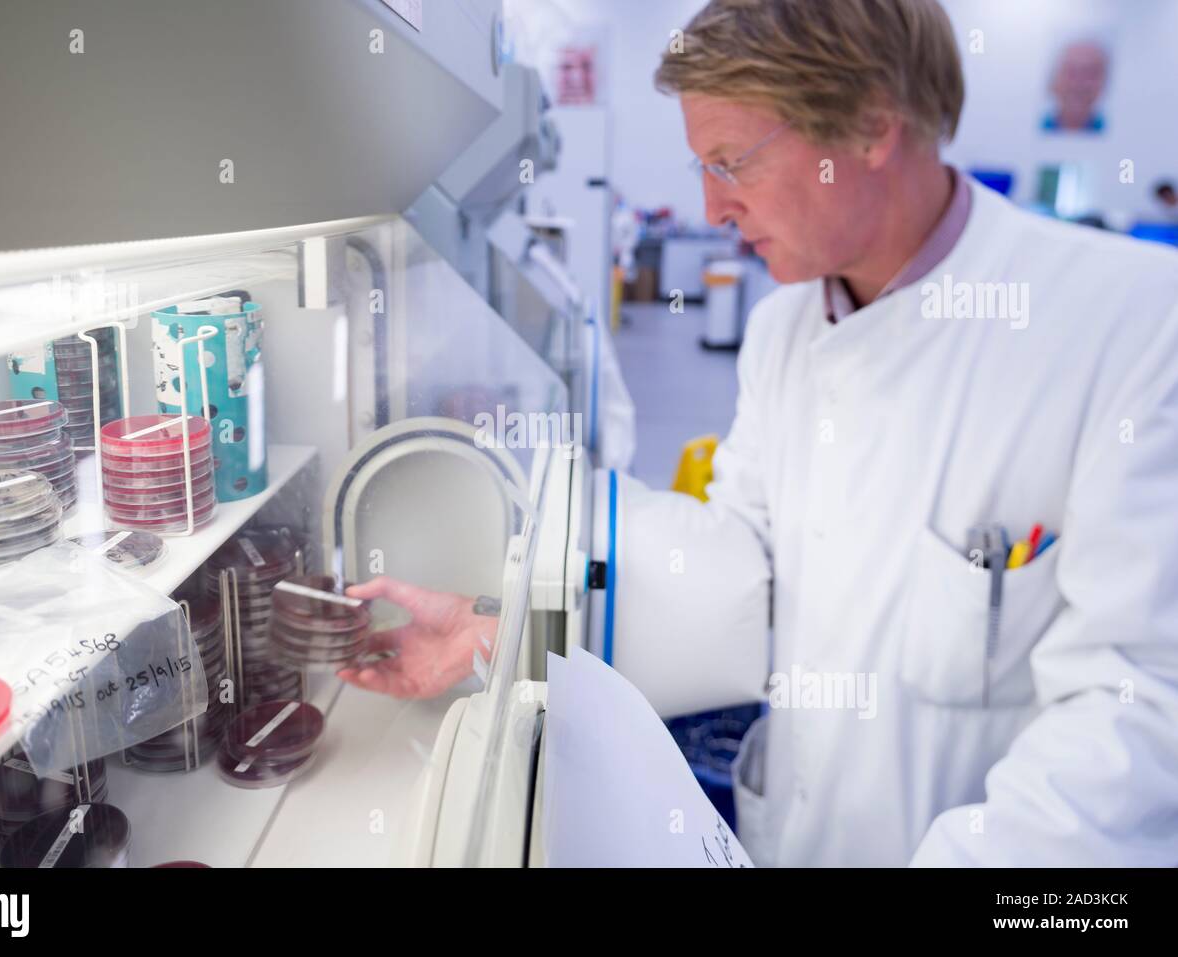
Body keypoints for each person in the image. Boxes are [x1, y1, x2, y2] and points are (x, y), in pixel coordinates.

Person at [341, 0, 1178, 867]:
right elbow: (735, 577)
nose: (711, 204)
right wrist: (497, 626)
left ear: (871, 125)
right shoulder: (783, 332)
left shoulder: (1132, 326)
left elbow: (1141, 712)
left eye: (730, 161)